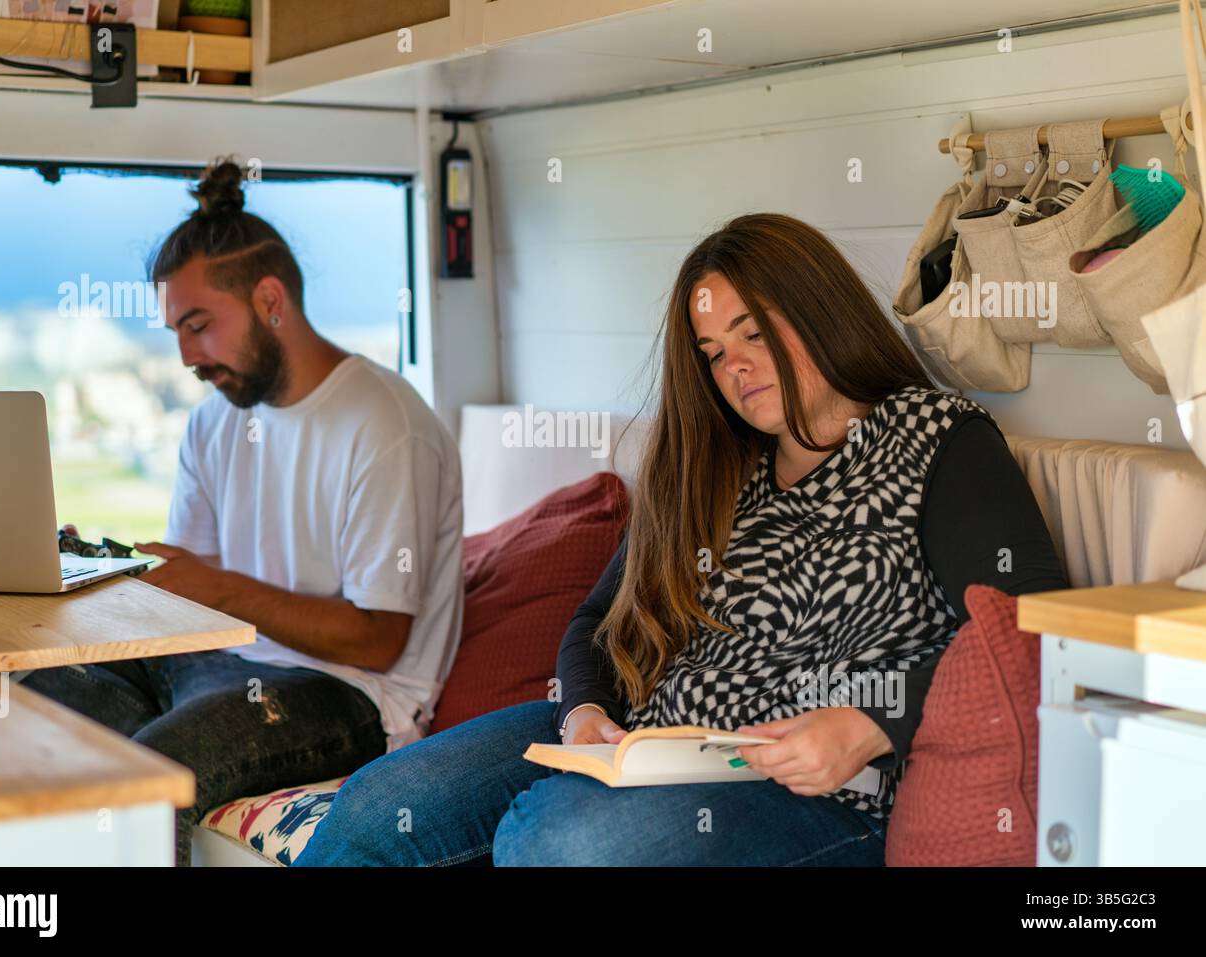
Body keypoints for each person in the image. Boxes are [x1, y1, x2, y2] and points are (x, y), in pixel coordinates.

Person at [294, 212, 1068, 867]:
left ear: (821, 310)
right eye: (713, 353)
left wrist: (872, 722)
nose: (735, 368)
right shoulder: (713, 464)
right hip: (653, 741)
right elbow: (596, 625)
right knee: (379, 804)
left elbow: (1029, 624)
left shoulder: (937, 440)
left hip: (819, 790)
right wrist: (584, 714)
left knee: (564, 842)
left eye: (752, 334)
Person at [24, 158, 464, 866]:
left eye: (198, 325)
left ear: (268, 300)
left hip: (343, 695)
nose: (186, 356)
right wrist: (99, 570)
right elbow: (188, 594)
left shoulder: (385, 426)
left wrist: (219, 588)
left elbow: (378, 638)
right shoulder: (213, 424)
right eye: (174, 331)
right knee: (29, 703)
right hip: (213, 665)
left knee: (149, 776)